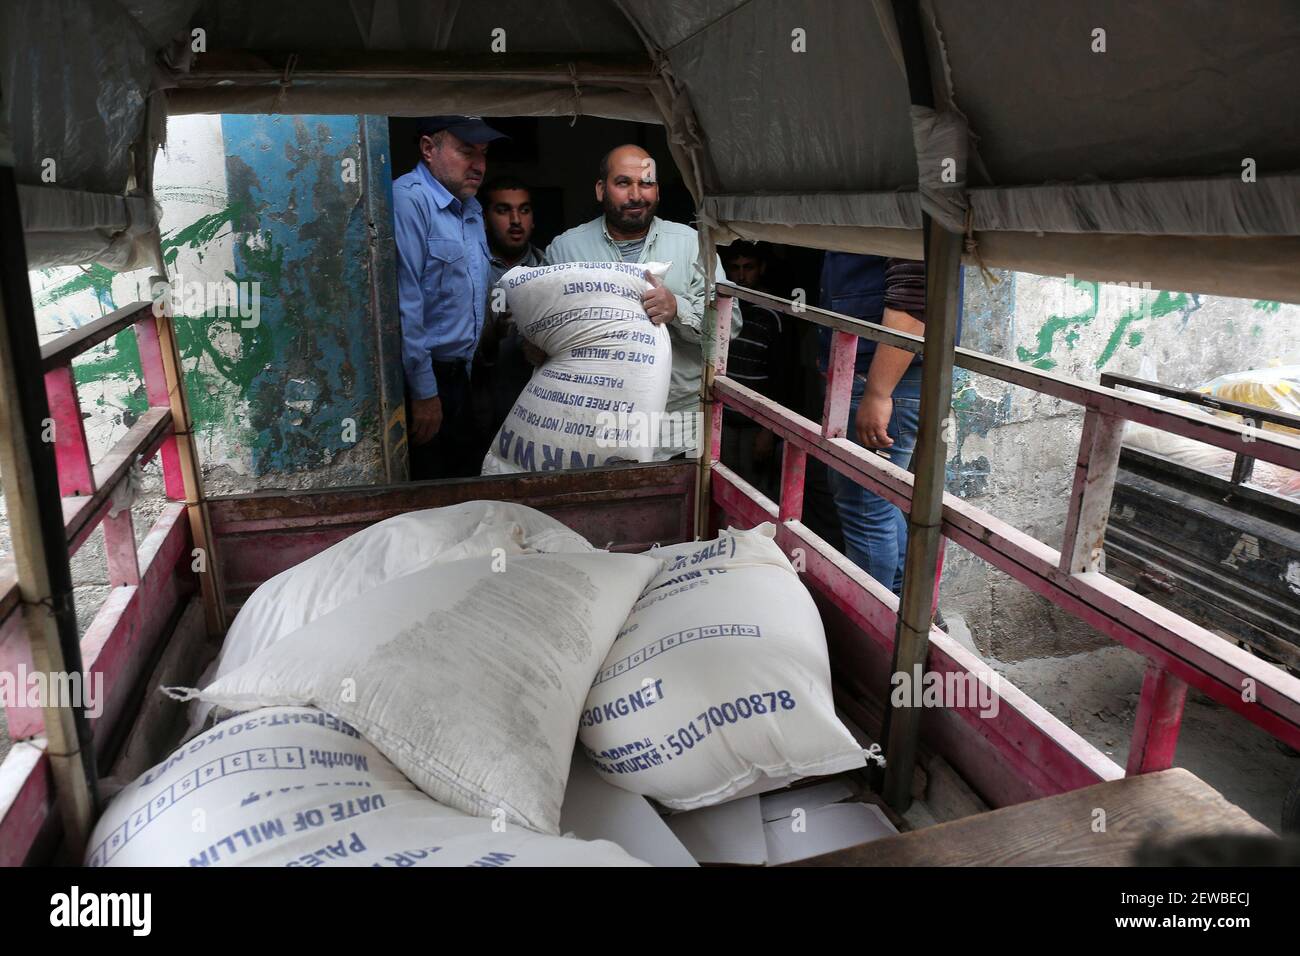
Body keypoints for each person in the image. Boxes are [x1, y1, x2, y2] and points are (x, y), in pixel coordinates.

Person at [543, 144, 739, 458]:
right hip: (589, 422)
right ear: (600, 189)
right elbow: (540, 331)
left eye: (646, 183)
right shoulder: (565, 251)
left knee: (676, 506)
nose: (636, 195)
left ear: (657, 190)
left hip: (674, 428)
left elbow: (730, 328)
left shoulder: (693, 245)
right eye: (623, 183)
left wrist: (678, 309)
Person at [821, 254, 959, 607]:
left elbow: (915, 299)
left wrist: (878, 392)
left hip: (883, 379)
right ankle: (901, 609)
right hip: (882, 376)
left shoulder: (904, 205)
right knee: (876, 502)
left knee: (865, 507)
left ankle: (871, 625)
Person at [392, 115, 507, 480]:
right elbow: (405, 304)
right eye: (466, 150)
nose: (479, 164)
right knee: (432, 492)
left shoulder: (470, 209)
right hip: (427, 379)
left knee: (467, 483)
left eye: (484, 153)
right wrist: (425, 394)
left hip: (465, 377)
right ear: (428, 149)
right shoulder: (409, 201)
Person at [472, 176, 544, 454]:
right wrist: (493, 335)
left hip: (536, 414)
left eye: (524, 210)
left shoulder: (549, 269)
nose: (516, 220)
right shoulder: (473, 270)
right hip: (479, 415)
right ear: (486, 219)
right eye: (503, 210)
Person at [719, 241, 794, 495]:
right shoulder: (722, 306)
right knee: (720, 488)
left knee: (754, 493)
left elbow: (782, 377)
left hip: (755, 422)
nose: (741, 275)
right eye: (735, 268)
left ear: (761, 268)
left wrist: (768, 430)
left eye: (748, 267)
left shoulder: (773, 314)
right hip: (723, 417)